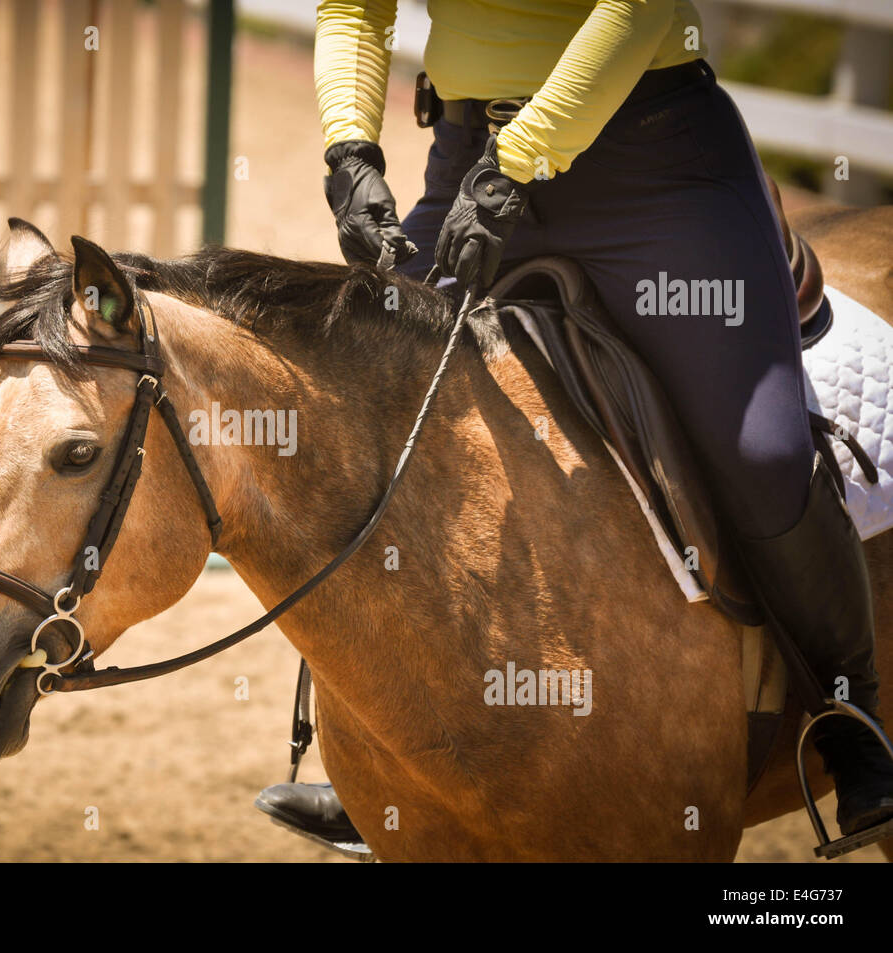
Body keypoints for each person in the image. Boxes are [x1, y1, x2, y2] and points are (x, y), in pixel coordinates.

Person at [254, 0, 893, 848]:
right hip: (470, 163)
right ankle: (392, 761)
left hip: (654, 175)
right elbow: (352, 9)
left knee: (763, 451)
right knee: (375, 411)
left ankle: (854, 725)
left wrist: (519, 164)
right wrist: (350, 150)